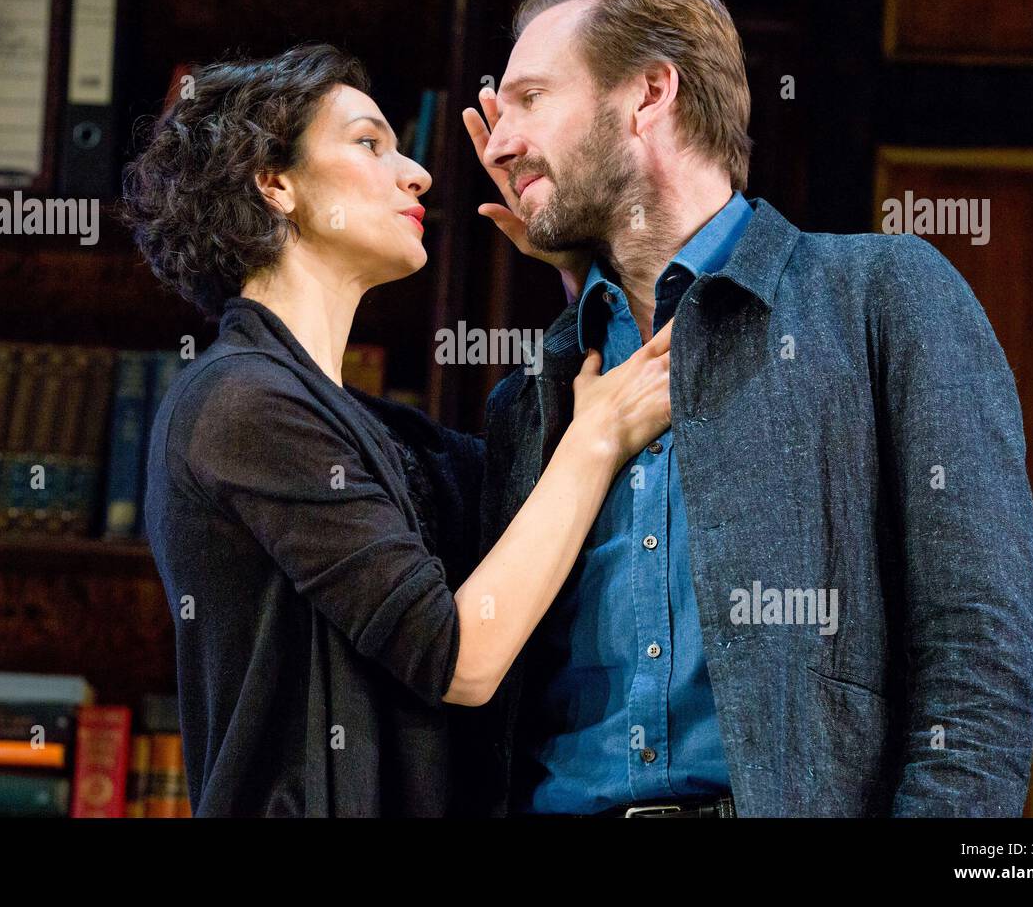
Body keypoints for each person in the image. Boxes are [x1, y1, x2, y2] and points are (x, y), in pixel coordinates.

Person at [464, 0, 1033, 818]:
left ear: (651, 94)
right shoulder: (535, 395)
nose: (500, 144)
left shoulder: (881, 297)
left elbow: (978, 655)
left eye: (530, 99)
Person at [120, 44, 673, 816]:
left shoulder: (376, 431)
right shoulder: (238, 405)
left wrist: (582, 274)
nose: (416, 172)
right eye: (368, 143)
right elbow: (462, 657)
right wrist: (598, 440)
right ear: (275, 183)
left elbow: (528, 495)